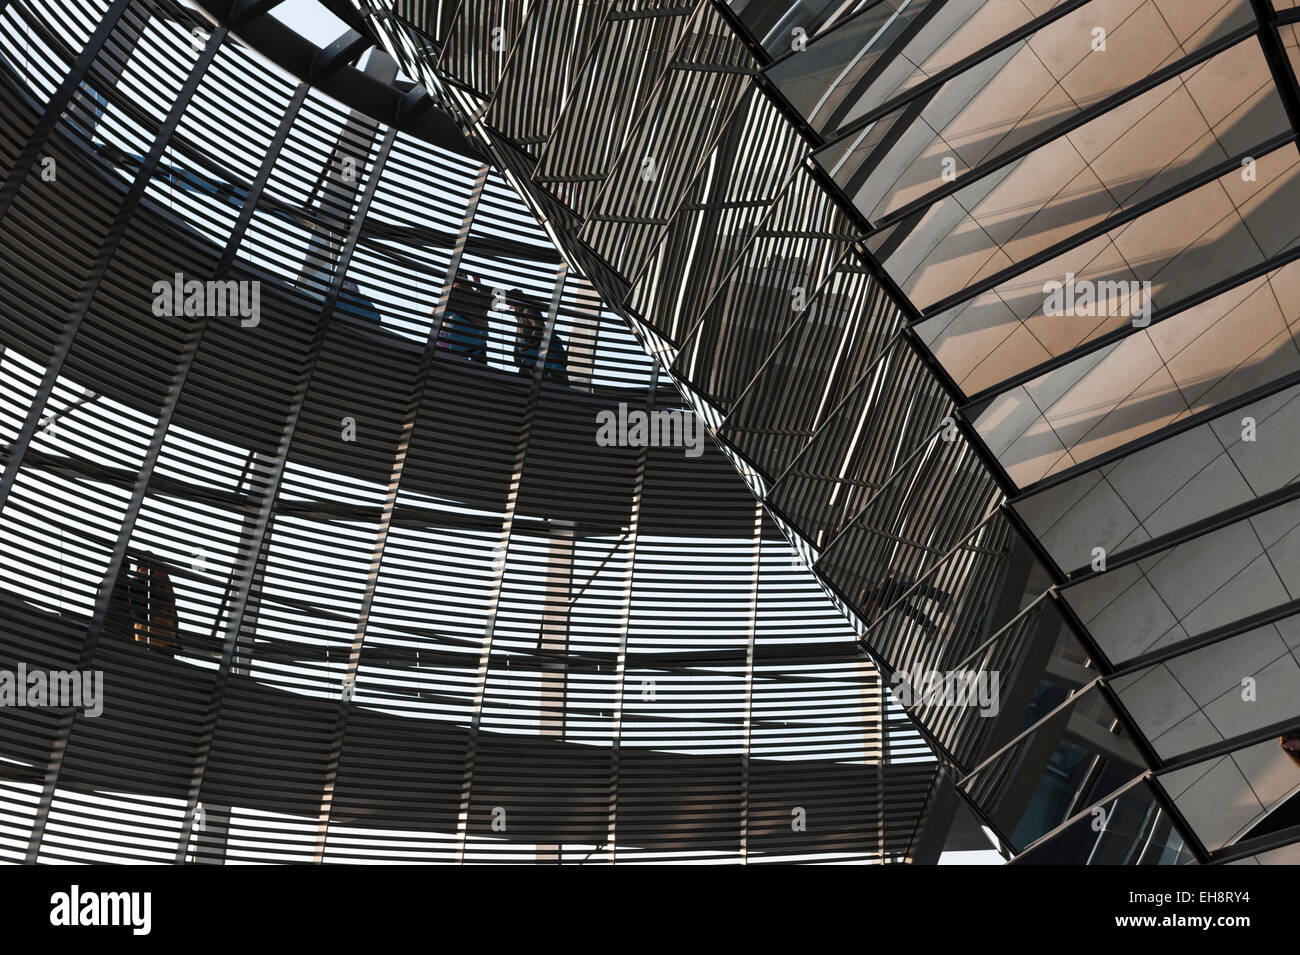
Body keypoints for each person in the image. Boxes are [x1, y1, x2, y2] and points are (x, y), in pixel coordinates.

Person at [507, 288, 568, 385]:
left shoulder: (528, 309)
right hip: (532, 358)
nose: (509, 307)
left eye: (510, 303)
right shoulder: (520, 322)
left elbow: (539, 329)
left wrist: (528, 348)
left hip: (541, 356)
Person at [436, 272, 489, 363]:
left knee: (480, 370)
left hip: (475, 341)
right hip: (458, 342)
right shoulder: (449, 297)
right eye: (457, 275)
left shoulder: (477, 296)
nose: (458, 277)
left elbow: (495, 302)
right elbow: (436, 313)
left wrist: (479, 286)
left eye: (461, 275)